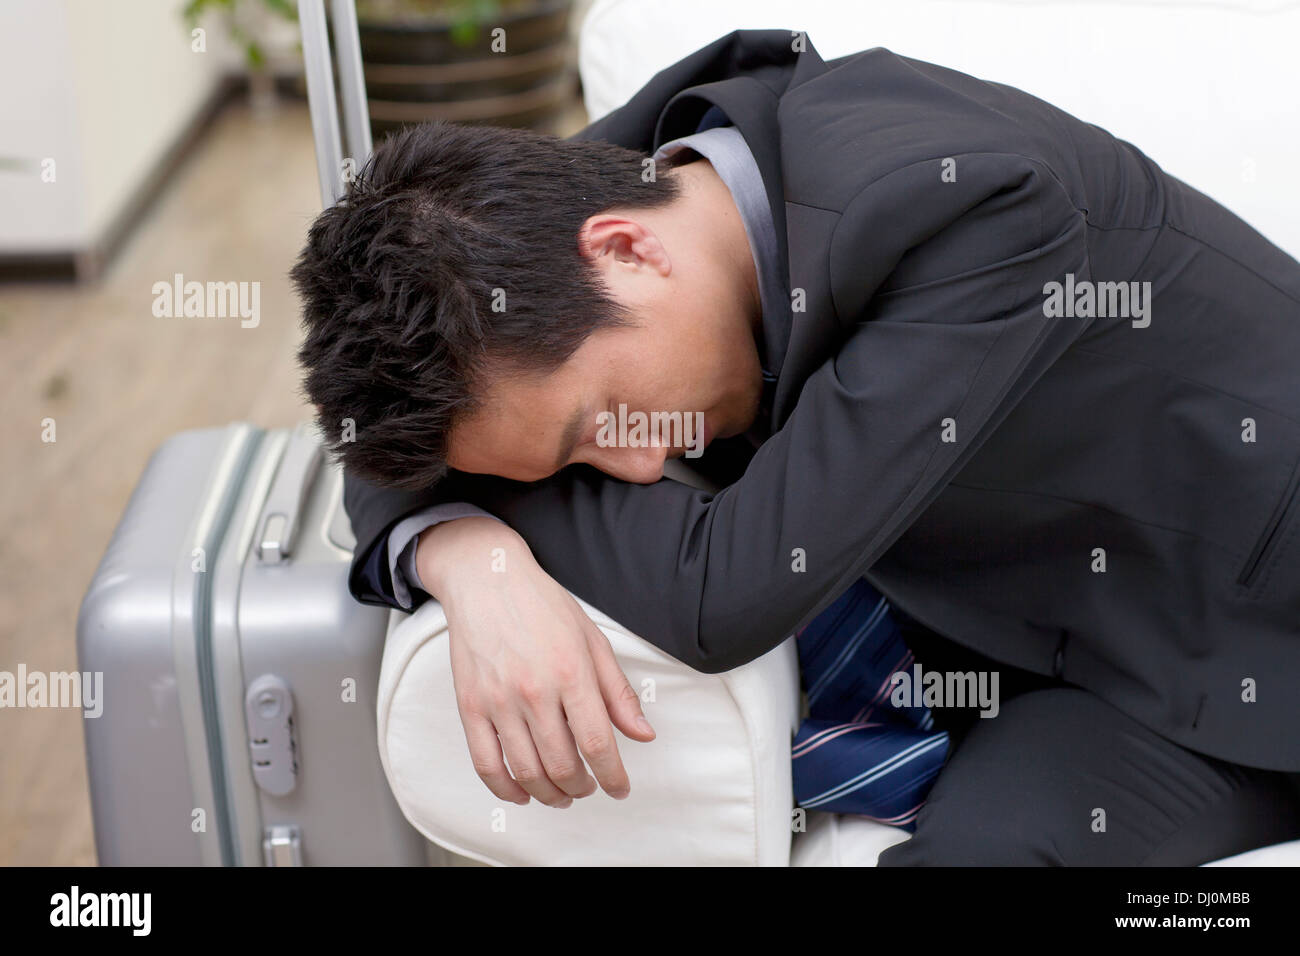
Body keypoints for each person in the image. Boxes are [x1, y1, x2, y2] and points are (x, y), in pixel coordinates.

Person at [291, 30, 1300, 864]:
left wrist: (498, 518)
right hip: (1056, 643)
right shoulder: (584, 201)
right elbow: (383, 423)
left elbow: (723, 591)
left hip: (1254, 648)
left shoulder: (975, 213)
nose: (640, 468)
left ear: (626, 250)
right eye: (577, 465)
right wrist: (466, 552)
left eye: (598, 423)